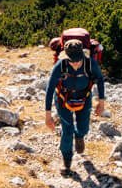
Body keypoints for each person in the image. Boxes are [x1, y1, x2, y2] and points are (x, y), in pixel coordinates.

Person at [43, 40, 106, 175]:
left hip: (84, 98)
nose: (76, 63)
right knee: (67, 129)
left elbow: (100, 80)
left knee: (83, 127)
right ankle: (66, 162)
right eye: (72, 61)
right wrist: (48, 115)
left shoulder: (90, 64)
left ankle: (79, 136)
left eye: (78, 60)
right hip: (63, 99)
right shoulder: (60, 65)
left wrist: (101, 102)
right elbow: (50, 89)